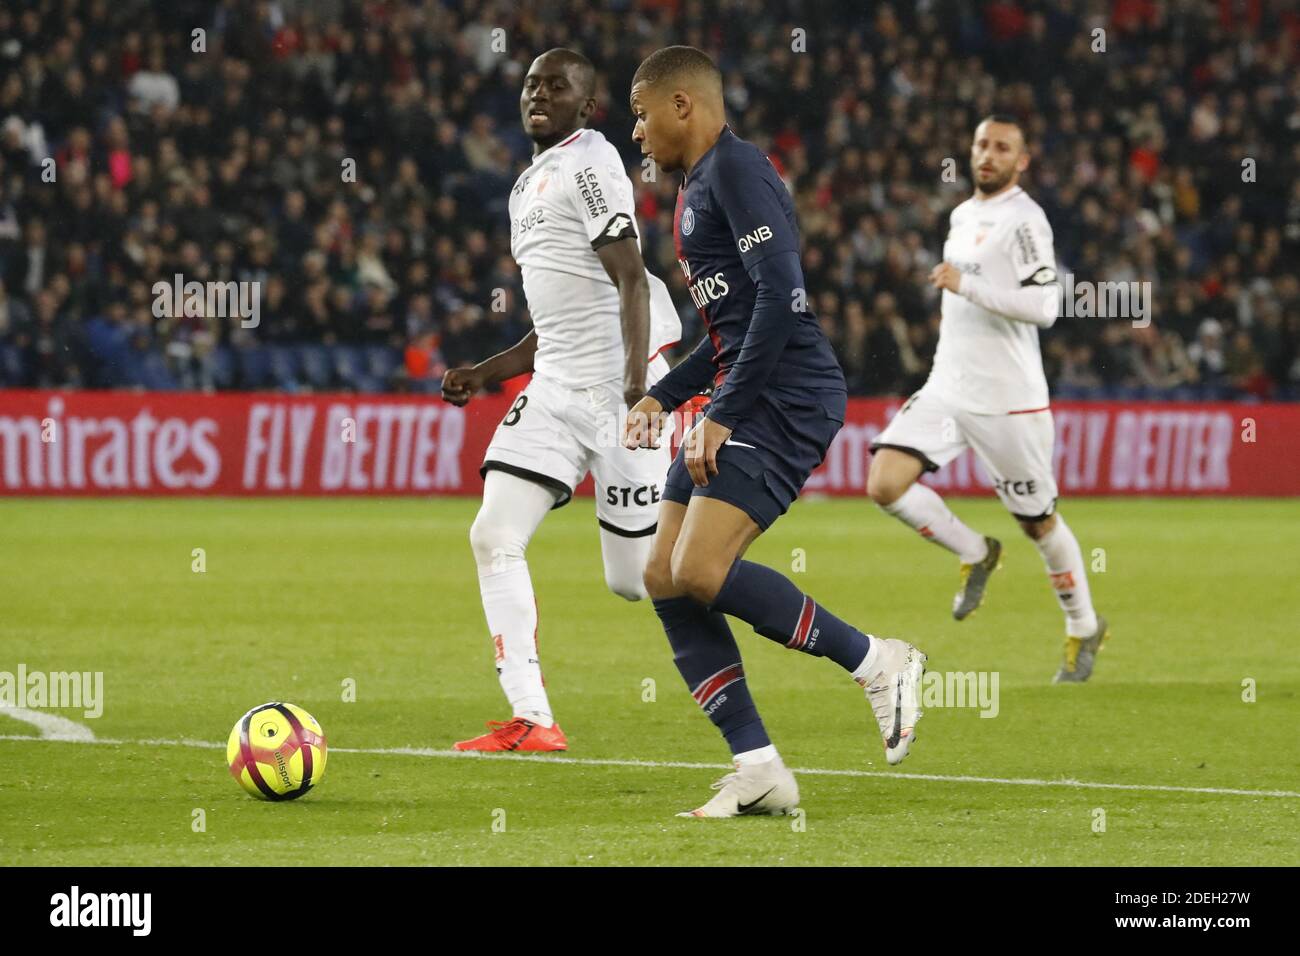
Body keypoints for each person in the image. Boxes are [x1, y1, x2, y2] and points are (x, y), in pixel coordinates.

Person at [624, 46, 926, 819]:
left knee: (698, 569)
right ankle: (758, 767)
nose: (635, 129)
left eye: (640, 110)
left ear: (683, 104)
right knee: (660, 574)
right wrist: (667, 394)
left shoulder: (738, 171)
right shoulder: (696, 188)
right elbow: (727, 326)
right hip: (743, 388)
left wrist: (720, 414)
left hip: (785, 394)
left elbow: (782, 297)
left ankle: (876, 661)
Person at [442, 49, 680, 752]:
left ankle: (809, 625)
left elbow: (631, 279)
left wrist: (639, 394)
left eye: (557, 85)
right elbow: (555, 324)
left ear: (586, 105)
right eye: (530, 84)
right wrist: (488, 372)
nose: (538, 94)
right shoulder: (526, 186)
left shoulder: (591, 162)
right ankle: (534, 719)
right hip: (555, 390)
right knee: (492, 534)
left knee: (637, 582)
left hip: (620, 388)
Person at [867, 115, 1110, 683]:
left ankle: (1083, 625)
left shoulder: (1025, 221)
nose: (988, 155)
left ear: (1022, 161)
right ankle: (975, 552)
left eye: (1003, 148)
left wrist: (965, 283)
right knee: (884, 482)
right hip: (948, 387)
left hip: (1009, 400)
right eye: (981, 144)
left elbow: (1046, 306)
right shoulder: (962, 215)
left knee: (1039, 523)